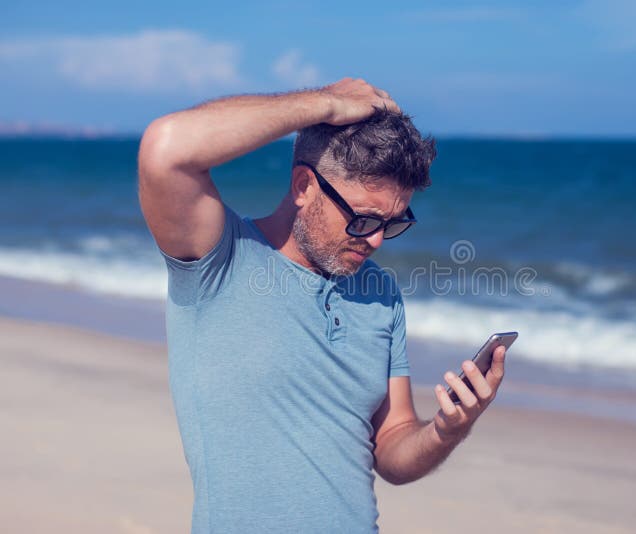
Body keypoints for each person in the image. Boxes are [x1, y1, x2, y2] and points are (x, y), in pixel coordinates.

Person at [137, 77, 507, 533]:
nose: (376, 240)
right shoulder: (219, 259)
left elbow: (392, 446)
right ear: (303, 186)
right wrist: (325, 103)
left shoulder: (380, 293)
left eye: (393, 224)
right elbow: (165, 148)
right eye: (363, 219)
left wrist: (447, 430)